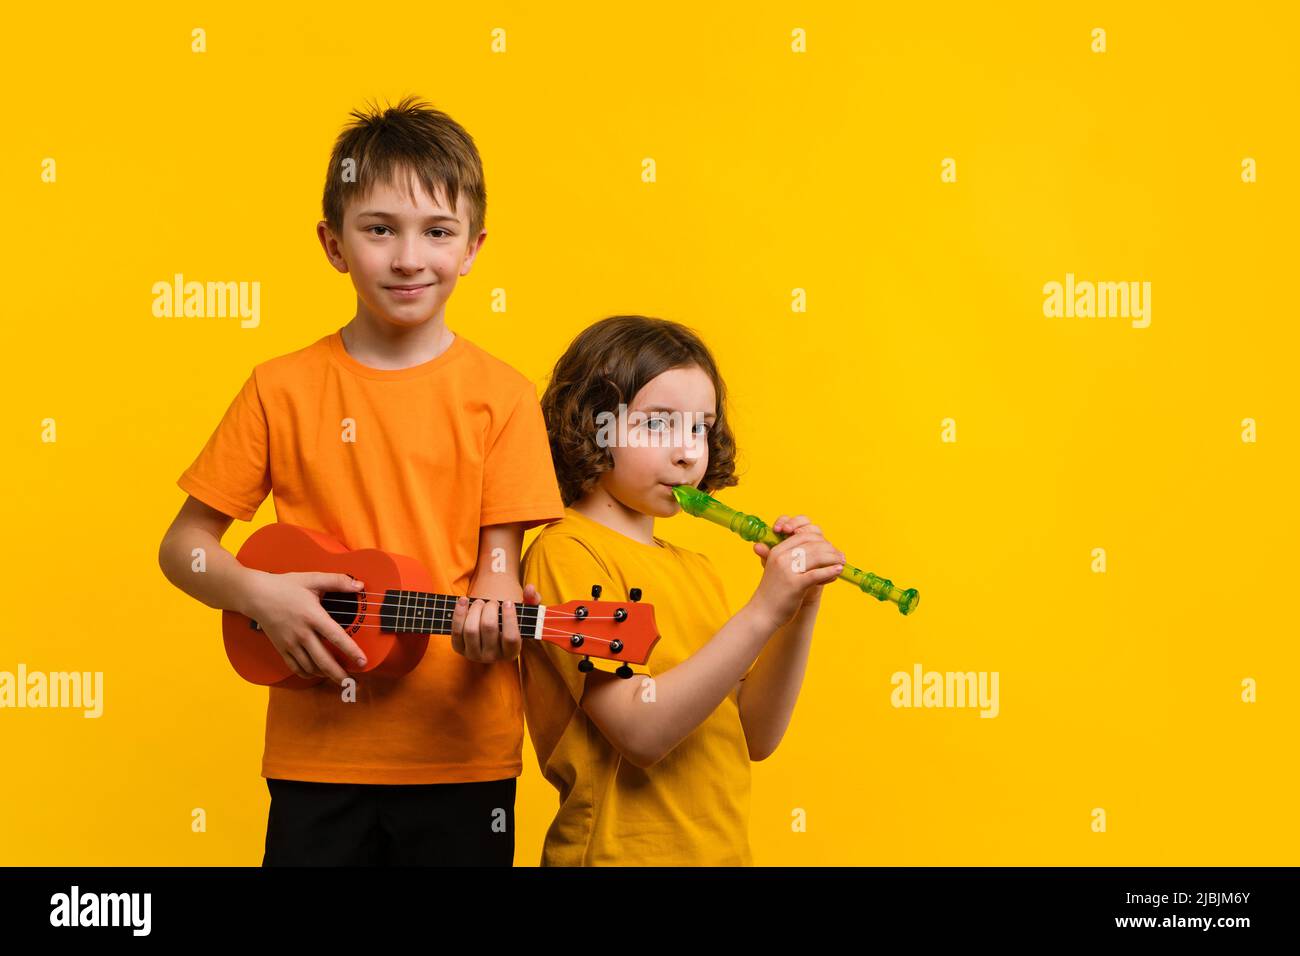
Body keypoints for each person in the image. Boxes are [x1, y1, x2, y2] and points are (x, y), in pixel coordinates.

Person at [157, 96, 563, 866]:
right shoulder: (279, 389)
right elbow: (185, 547)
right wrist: (257, 594)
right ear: (334, 244)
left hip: (459, 754)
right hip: (318, 754)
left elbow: (499, 566)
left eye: (436, 233)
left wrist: (496, 615)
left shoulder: (503, 397)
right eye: (379, 229)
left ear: (473, 248)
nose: (409, 257)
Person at [521, 315, 845, 865]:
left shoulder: (696, 570)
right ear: (591, 424)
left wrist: (797, 608)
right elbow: (640, 732)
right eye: (658, 424)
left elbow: (755, 735)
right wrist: (763, 612)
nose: (688, 453)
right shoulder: (566, 553)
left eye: (699, 427)